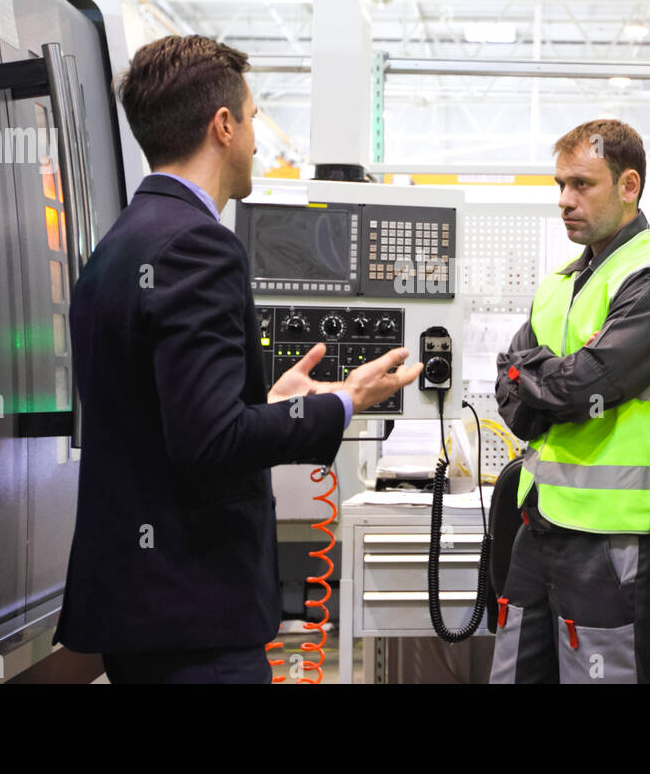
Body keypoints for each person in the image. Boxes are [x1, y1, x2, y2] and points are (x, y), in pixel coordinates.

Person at [53, 35, 421, 683]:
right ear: (222, 126)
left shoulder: (121, 242)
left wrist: (269, 403)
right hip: (193, 614)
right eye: (251, 120)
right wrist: (339, 402)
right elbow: (210, 441)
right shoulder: (199, 247)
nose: (256, 139)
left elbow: (166, 416)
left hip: (144, 605)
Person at [489, 119, 650, 684]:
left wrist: (546, 381)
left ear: (629, 185)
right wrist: (546, 383)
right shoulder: (558, 282)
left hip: (614, 534)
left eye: (582, 184)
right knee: (513, 674)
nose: (564, 200)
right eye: (560, 185)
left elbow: (585, 385)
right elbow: (509, 387)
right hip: (541, 520)